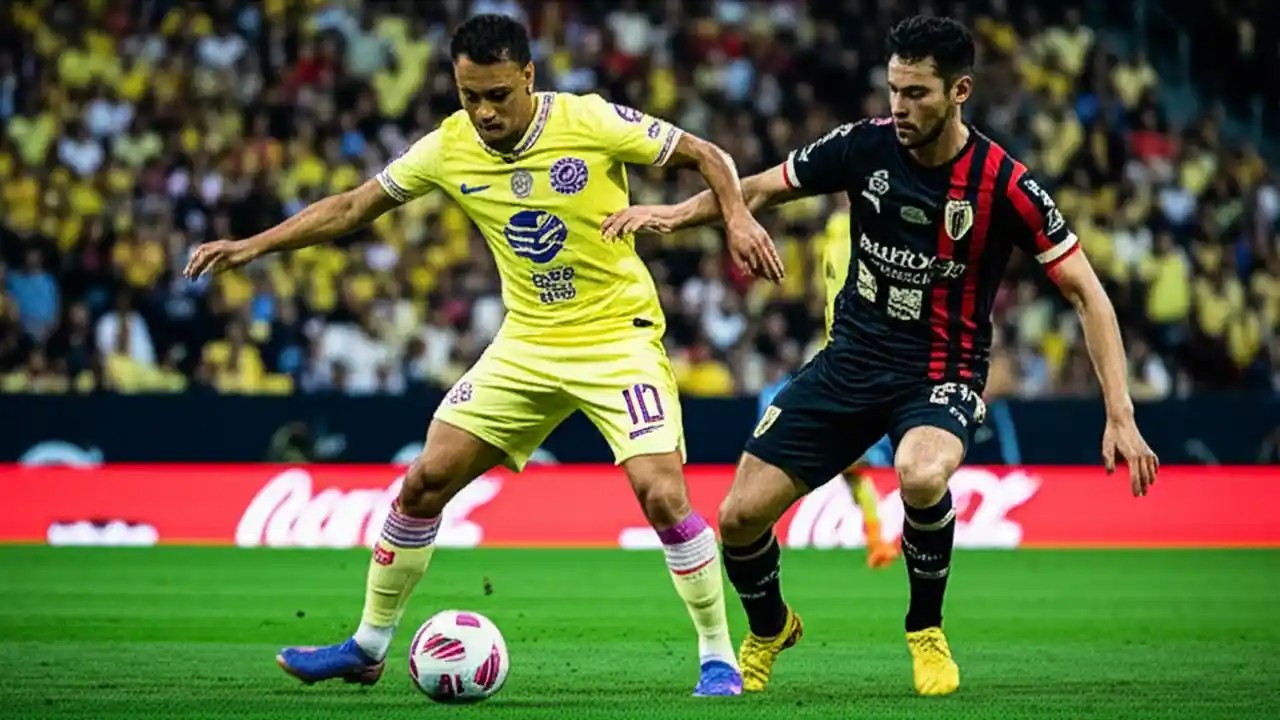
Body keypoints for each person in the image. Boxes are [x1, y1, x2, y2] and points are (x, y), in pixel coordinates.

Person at [185, 14, 783, 697]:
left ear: (529, 77)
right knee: (424, 482)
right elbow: (353, 207)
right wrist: (252, 246)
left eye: (498, 93)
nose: (484, 110)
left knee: (663, 495)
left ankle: (718, 656)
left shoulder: (589, 121)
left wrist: (736, 216)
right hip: (526, 344)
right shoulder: (449, 145)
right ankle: (368, 645)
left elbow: (710, 154)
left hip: (617, 339)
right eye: (470, 94)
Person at [603, 15, 1159, 697]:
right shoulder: (862, 146)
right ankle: (770, 625)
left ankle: (925, 629)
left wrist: (1121, 414)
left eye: (917, 93)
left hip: (940, 370)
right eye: (894, 89)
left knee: (920, 475)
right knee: (738, 518)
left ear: (960, 92)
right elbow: (757, 187)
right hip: (850, 362)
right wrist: (670, 215)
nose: (899, 107)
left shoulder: (1002, 183)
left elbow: (1088, 294)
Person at [757, 198, 900, 569]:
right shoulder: (864, 232)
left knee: (835, 464)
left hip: (845, 361)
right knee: (851, 468)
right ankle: (876, 538)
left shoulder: (839, 233)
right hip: (850, 357)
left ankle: (757, 531)